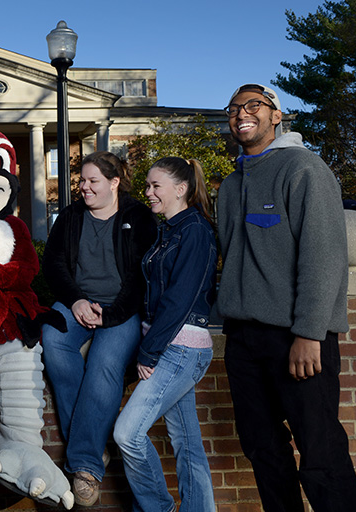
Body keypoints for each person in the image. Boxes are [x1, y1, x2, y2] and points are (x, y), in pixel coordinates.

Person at [218, 83, 356, 511]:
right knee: (262, 449)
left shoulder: (304, 170)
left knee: (320, 452)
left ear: (276, 116)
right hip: (243, 341)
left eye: (254, 105)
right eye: (234, 109)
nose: (242, 114)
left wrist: (308, 333)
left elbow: (323, 257)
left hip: (295, 338)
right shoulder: (230, 184)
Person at [41, 151, 157, 507]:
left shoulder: (139, 216)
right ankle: (92, 441)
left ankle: (86, 466)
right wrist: (75, 300)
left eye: (93, 182)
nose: (84, 187)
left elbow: (142, 276)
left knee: (104, 364)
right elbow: (54, 263)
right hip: (77, 302)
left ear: (114, 182)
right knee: (53, 341)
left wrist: (111, 316)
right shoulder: (71, 215)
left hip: (120, 311)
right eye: (81, 181)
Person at [113, 157, 217, 512]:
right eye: (147, 186)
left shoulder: (195, 231)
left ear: (181, 189)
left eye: (156, 186)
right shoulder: (168, 230)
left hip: (179, 349)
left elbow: (179, 300)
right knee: (187, 442)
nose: (149, 193)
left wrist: (149, 352)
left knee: (126, 434)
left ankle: (160, 508)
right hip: (169, 344)